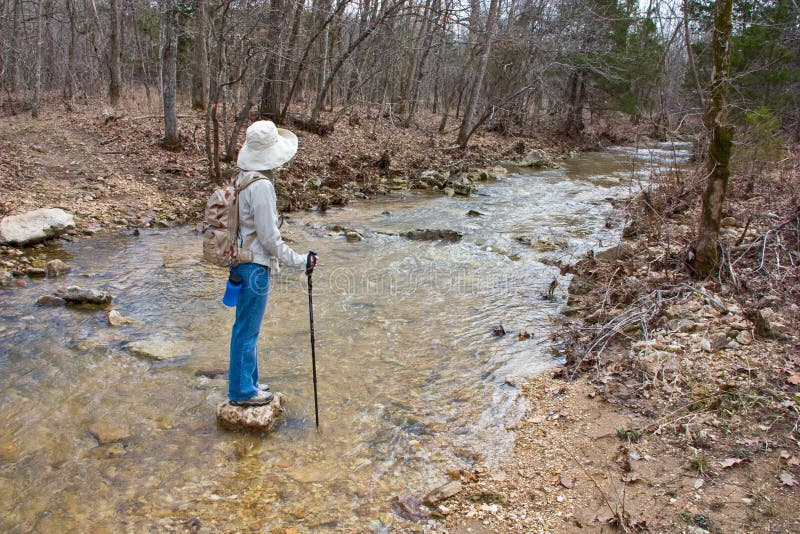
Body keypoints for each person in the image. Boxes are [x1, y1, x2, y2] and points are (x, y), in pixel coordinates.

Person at [228, 120, 317, 407]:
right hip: (255, 267)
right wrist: (301, 261)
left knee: (245, 328)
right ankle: (243, 392)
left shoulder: (242, 178)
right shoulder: (262, 185)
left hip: (240, 263)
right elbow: (269, 239)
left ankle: (249, 383)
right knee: (247, 330)